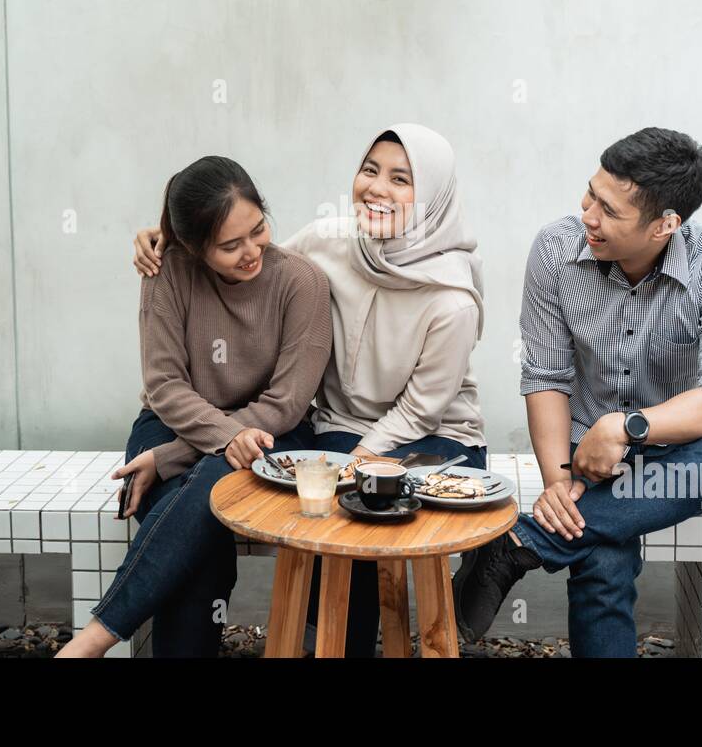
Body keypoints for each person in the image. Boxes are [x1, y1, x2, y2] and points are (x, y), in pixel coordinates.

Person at [132, 123, 486, 656]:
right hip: (339, 431)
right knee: (320, 510)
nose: (377, 188)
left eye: (400, 178)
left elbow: (418, 411)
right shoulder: (330, 241)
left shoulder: (452, 298)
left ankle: (342, 647)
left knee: (356, 514)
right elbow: (254, 262)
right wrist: (165, 238)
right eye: (369, 170)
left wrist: (358, 462)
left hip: (428, 438)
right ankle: (324, 643)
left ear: (433, 196)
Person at [451, 127, 702, 657]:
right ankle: (531, 540)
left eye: (610, 210)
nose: (588, 215)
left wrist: (625, 425)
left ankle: (517, 546)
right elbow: (546, 376)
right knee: (604, 554)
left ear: (666, 225)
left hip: (671, 456)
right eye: (590, 193)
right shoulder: (556, 249)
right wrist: (557, 483)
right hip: (587, 464)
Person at [55, 155, 332, 657]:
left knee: (211, 484)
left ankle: (92, 640)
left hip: (273, 432)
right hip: (170, 422)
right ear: (193, 246)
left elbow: (287, 403)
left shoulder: (302, 283)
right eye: (230, 246)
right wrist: (208, 440)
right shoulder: (166, 270)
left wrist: (172, 458)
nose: (252, 252)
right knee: (202, 552)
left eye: (259, 229)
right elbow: (164, 385)